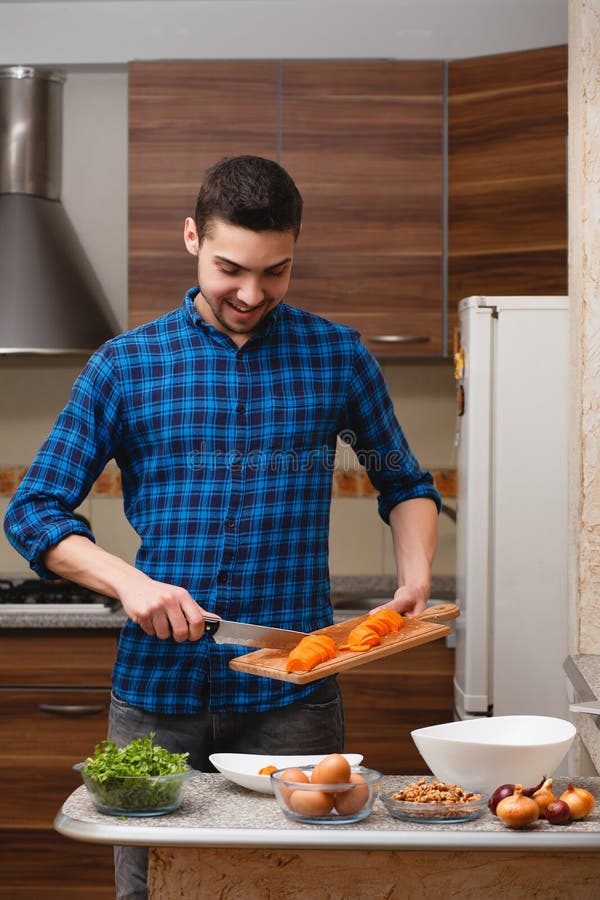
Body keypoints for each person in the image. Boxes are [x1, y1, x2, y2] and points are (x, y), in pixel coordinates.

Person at [4, 155, 440, 897]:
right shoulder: (125, 365)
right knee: (151, 888)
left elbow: (405, 484)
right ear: (191, 239)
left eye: (276, 272)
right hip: (156, 694)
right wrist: (129, 583)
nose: (250, 293)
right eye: (230, 267)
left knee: (295, 886)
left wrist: (415, 576)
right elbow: (33, 510)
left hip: (295, 693)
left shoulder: (338, 357)